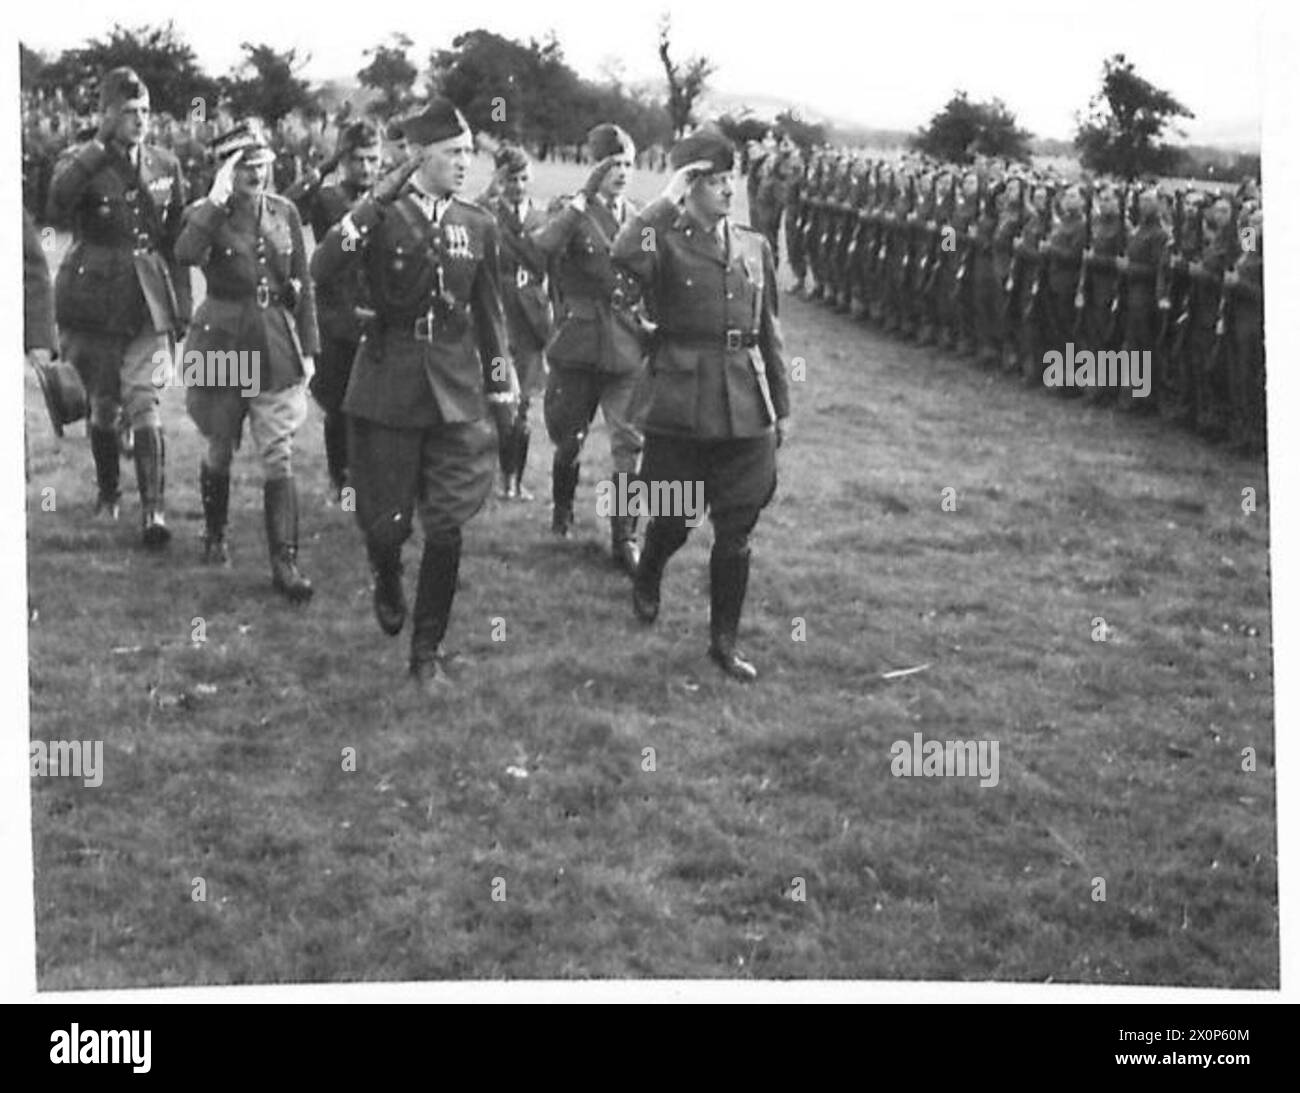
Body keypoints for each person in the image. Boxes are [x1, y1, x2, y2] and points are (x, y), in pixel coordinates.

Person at [311, 99, 516, 692]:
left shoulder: (477, 224)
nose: (464, 163)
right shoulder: (381, 213)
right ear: (421, 155)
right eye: (453, 153)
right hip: (388, 381)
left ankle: (427, 652)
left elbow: (491, 316)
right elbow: (324, 266)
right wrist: (373, 201)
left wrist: (504, 387)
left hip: (454, 389)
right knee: (386, 524)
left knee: (447, 524)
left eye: (468, 153)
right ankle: (384, 571)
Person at [612, 126, 791, 682]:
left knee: (736, 529)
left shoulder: (753, 246)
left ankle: (723, 642)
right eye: (711, 181)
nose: (727, 190)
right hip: (681, 403)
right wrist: (663, 203)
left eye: (729, 178)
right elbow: (622, 258)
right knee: (675, 516)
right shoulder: (661, 241)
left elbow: (769, 331)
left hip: (744, 401)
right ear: (688, 186)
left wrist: (779, 406)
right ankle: (649, 574)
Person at [174, 122, 319, 601]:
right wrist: (215, 203)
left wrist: (310, 347)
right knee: (219, 442)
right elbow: (185, 252)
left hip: (274, 340)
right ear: (225, 170)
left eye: (262, 164)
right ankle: (215, 535)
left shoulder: (285, 212)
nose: (257, 173)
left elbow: (303, 281)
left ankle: (286, 561)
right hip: (221, 341)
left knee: (278, 449)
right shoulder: (205, 214)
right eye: (244, 165)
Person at [46, 67, 190, 545]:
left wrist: (181, 308)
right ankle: (109, 493)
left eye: (145, 111)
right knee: (104, 407)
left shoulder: (165, 165)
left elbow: (176, 243)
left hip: (147, 301)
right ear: (107, 114)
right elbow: (57, 203)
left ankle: (154, 513)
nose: (140, 120)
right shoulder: (81, 160)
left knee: (144, 400)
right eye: (129, 112)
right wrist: (98, 149)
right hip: (94, 303)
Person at [530, 123, 649, 574]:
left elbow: (649, 273)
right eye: (612, 164)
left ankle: (626, 536)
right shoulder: (570, 211)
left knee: (628, 444)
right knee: (569, 439)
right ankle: (562, 510)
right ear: (595, 167)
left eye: (628, 165)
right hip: (578, 345)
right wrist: (580, 201)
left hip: (623, 346)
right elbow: (542, 247)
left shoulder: (639, 219)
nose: (621, 173)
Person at [284, 120, 384, 501]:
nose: (365, 167)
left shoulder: (386, 199)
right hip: (335, 317)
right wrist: (324, 166)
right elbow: (287, 204)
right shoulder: (327, 199)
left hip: (376, 316)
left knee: (375, 413)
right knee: (340, 409)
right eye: (357, 159)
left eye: (373, 159)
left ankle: (371, 486)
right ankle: (342, 488)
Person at [476, 144, 554, 500]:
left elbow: (546, 266)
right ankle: (493, 476)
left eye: (524, 178)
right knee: (499, 402)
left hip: (531, 323)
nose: (518, 186)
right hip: (497, 318)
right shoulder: (486, 215)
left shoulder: (542, 220)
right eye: (510, 178)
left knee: (523, 407)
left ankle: (514, 482)